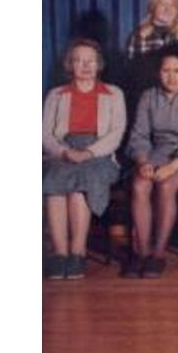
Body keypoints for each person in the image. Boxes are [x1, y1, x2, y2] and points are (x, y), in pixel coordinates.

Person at [42, 39, 127, 279]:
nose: (85, 65)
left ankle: (77, 253)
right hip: (63, 150)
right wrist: (64, 152)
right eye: (78, 60)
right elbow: (45, 134)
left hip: (99, 153)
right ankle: (60, 254)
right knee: (54, 181)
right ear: (70, 65)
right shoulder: (56, 95)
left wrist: (89, 152)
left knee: (82, 181)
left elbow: (116, 133)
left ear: (99, 64)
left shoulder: (113, 94)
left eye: (90, 60)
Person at [124, 45, 178, 278]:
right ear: (158, 72)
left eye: (177, 71)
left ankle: (158, 255)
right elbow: (139, 135)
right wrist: (143, 161)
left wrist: (172, 166)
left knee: (166, 185)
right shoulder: (148, 96)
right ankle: (142, 253)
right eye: (166, 71)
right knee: (140, 184)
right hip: (156, 153)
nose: (171, 76)